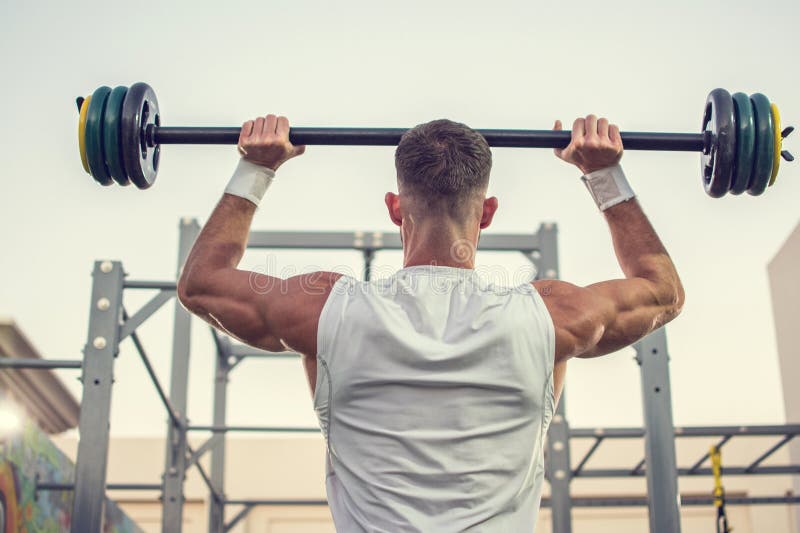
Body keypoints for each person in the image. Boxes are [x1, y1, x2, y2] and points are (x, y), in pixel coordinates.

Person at [177, 114, 684, 532]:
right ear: (487, 213)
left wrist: (256, 168)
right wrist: (604, 174)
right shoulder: (550, 316)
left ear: (395, 209)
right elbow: (662, 291)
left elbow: (202, 283)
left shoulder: (329, 309)